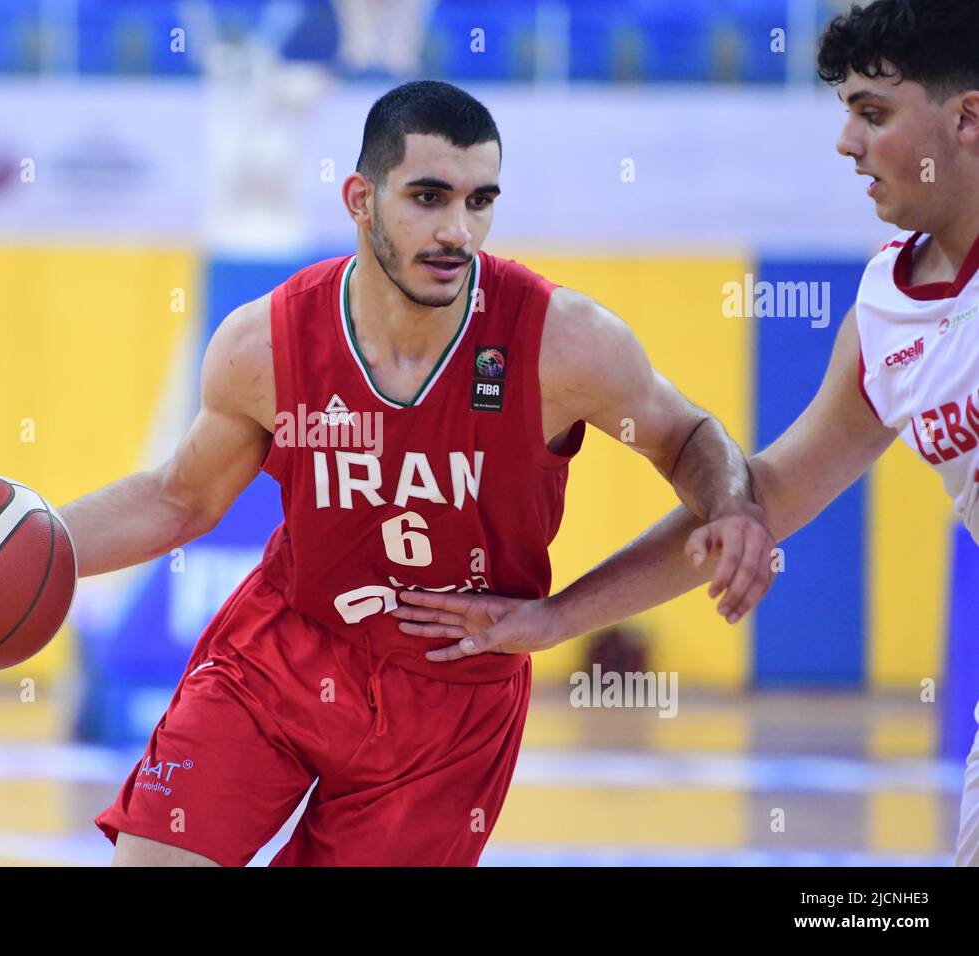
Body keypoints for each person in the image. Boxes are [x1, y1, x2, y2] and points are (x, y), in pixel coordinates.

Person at [0, 80, 775, 866]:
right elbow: (179, 499)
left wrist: (724, 508)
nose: (456, 229)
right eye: (428, 196)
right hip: (282, 654)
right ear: (361, 197)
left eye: (479, 201)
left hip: (453, 690)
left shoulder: (565, 342)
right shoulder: (264, 343)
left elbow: (688, 436)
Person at [392, 1, 979, 867]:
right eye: (847, 113)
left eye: (873, 113)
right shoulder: (888, 313)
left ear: (966, 117)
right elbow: (768, 492)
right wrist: (553, 620)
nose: (846, 144)